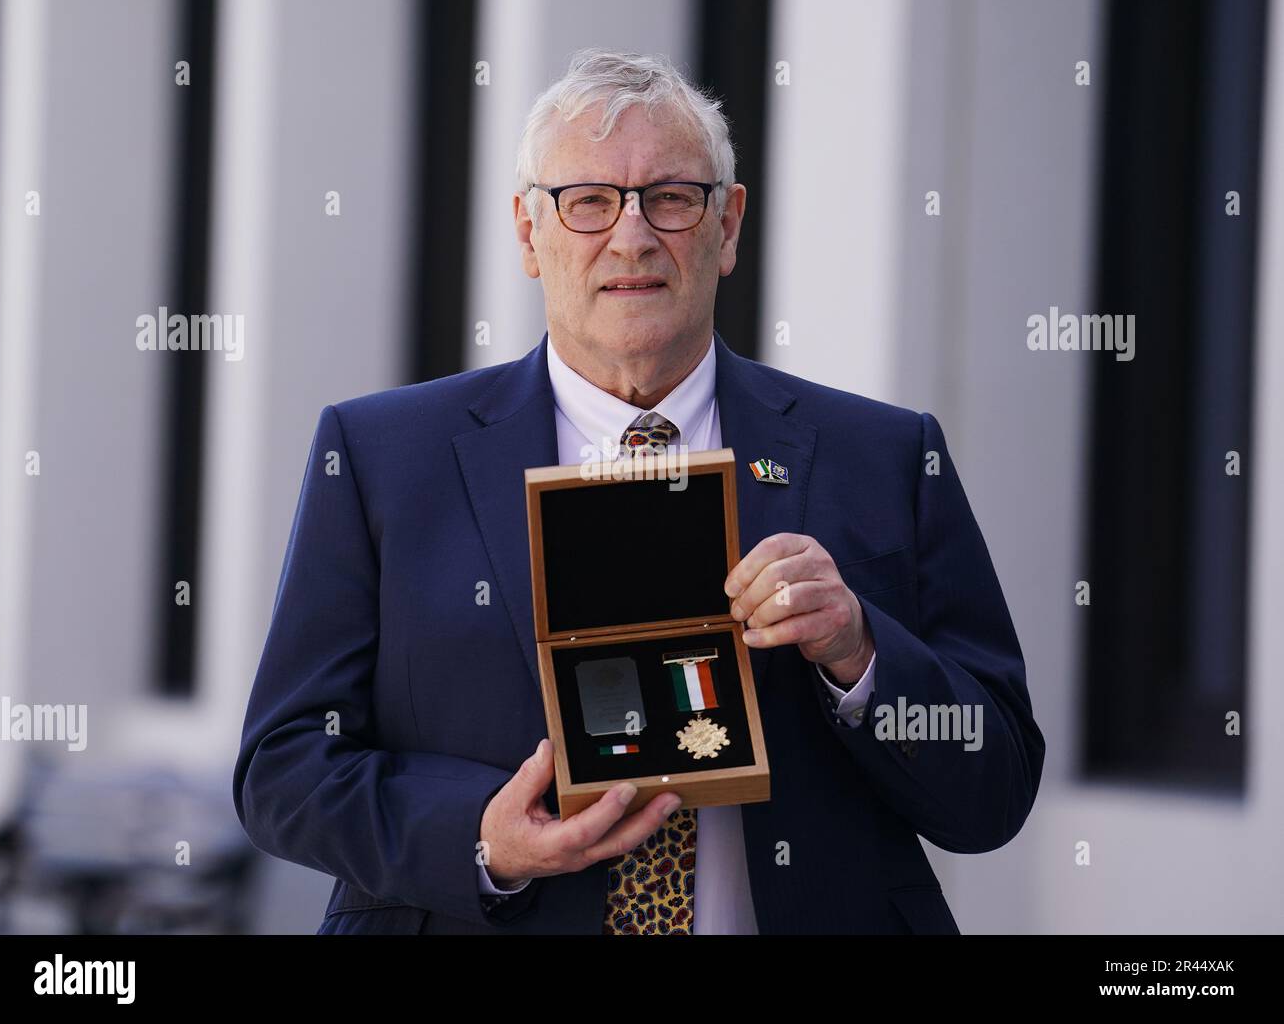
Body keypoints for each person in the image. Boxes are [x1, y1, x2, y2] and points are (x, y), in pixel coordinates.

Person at [232, 48, 1044, 935]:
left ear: (727, 225)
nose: (631, 236)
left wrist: (859, 652)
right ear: (526, 232)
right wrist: (480, 836)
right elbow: (285, 766)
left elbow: (993, 787)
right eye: (587, 201)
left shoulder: (883, 455)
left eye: (671, 197)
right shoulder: (383, 456)